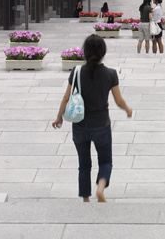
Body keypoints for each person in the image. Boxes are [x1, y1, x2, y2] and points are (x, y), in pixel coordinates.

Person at [53, 34, 133, 203]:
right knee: (105, 161)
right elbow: (118, 100)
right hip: (101, 125)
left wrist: (59, 118)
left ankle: (85, 200)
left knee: (84, 164)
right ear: (103, 52)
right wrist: (127, 109)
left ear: (85, 52)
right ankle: (100, 188)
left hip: (80, 126)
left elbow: (66, 98)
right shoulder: (110, 74)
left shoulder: (76, 72)